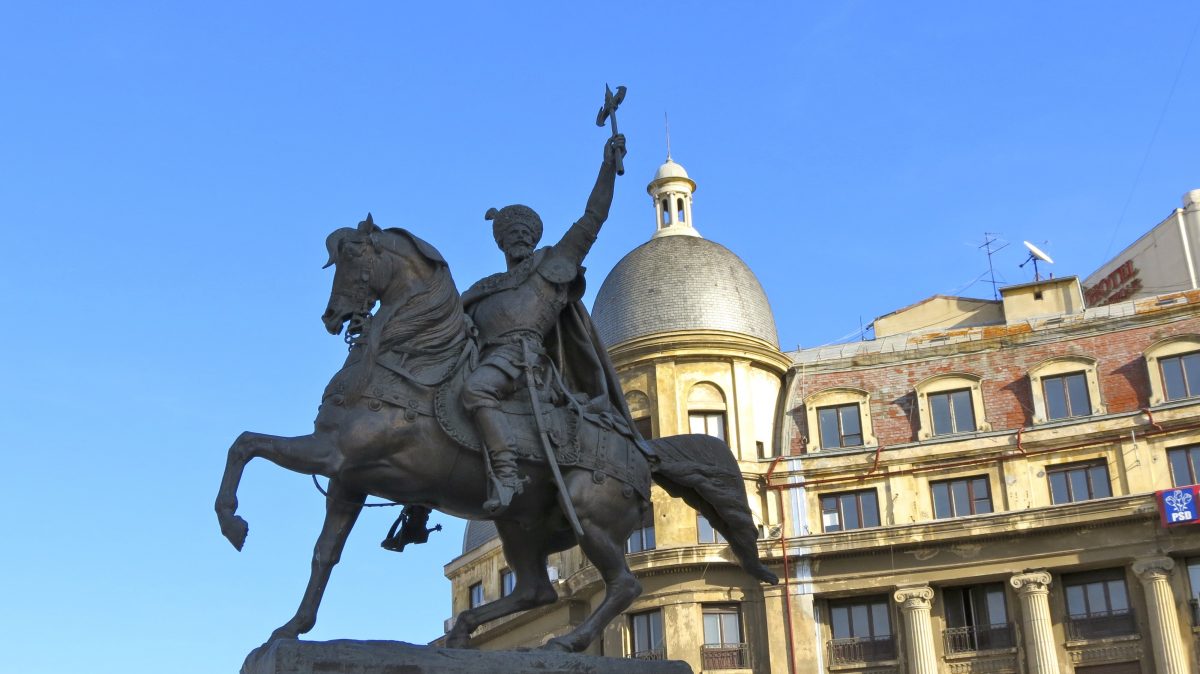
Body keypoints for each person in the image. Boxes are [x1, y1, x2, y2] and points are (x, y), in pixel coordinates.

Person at [461, 134, 630, 514]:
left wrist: (607, 168)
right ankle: (418, 508)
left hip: (523, 363)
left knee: (476, 391)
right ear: (501, 243)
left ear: (535, 238)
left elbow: (592, 218)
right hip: (479, 358)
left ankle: (506, 474)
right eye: (510, 235)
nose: (519, 239)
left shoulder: (551, 265)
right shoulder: (483, 289)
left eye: (526, 233)